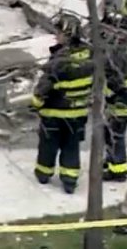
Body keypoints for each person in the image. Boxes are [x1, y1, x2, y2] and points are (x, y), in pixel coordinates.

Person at [31, 13, 94, 194]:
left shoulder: (59, 60)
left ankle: (43, 174)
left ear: (67, 34)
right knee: (71, 146)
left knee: (48, 146)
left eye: (58, 32)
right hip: (79, 113)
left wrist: (36, 103)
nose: (55, 36)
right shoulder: (90, 54)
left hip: (54, 114)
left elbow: (44, 86)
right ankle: (69, 180)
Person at [101, 20, 127, 182]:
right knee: (111, 132)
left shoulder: (117, 53)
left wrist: (105, 93)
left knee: (115, 134)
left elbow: (114, 77)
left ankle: (118, 169)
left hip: (119, 97)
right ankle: (111, 161)